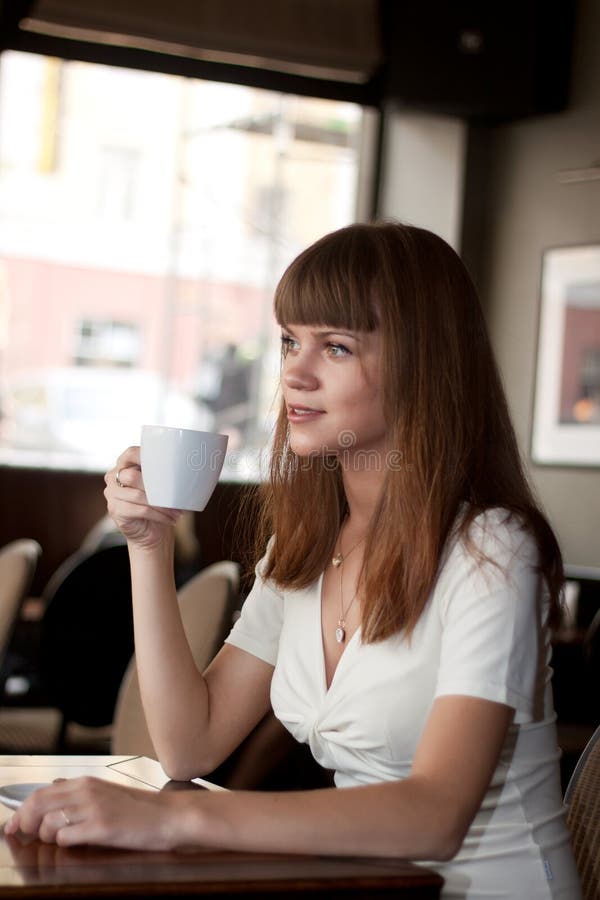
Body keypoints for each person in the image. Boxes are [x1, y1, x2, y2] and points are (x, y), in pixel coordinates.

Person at [5, 222, 582, 899]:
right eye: (289, 340)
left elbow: (434, 816)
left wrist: (178, 816)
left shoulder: (492, 550)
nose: (295, 373)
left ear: (425, 364)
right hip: (363, 887)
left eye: (336, 346)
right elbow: (190, 746)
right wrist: (149, 545)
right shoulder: (304, 550)